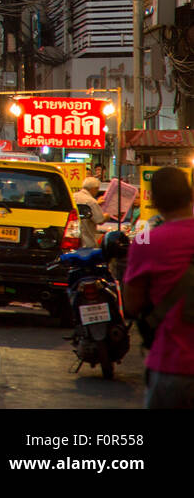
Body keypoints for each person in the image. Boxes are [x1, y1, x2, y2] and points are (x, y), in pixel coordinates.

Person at [122, 166, 194, 408]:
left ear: (157, 202)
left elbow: (131, 305)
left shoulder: (146, 241)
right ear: (190, 195)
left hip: (171, 365)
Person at [74, 176, 107, 249]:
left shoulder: (73, 196)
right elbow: (100, 220)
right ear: (93, 188)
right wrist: (107, 216)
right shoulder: (91, 201)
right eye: (97, 189)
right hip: (87, 242)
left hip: (73, 239)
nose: (97, 192)